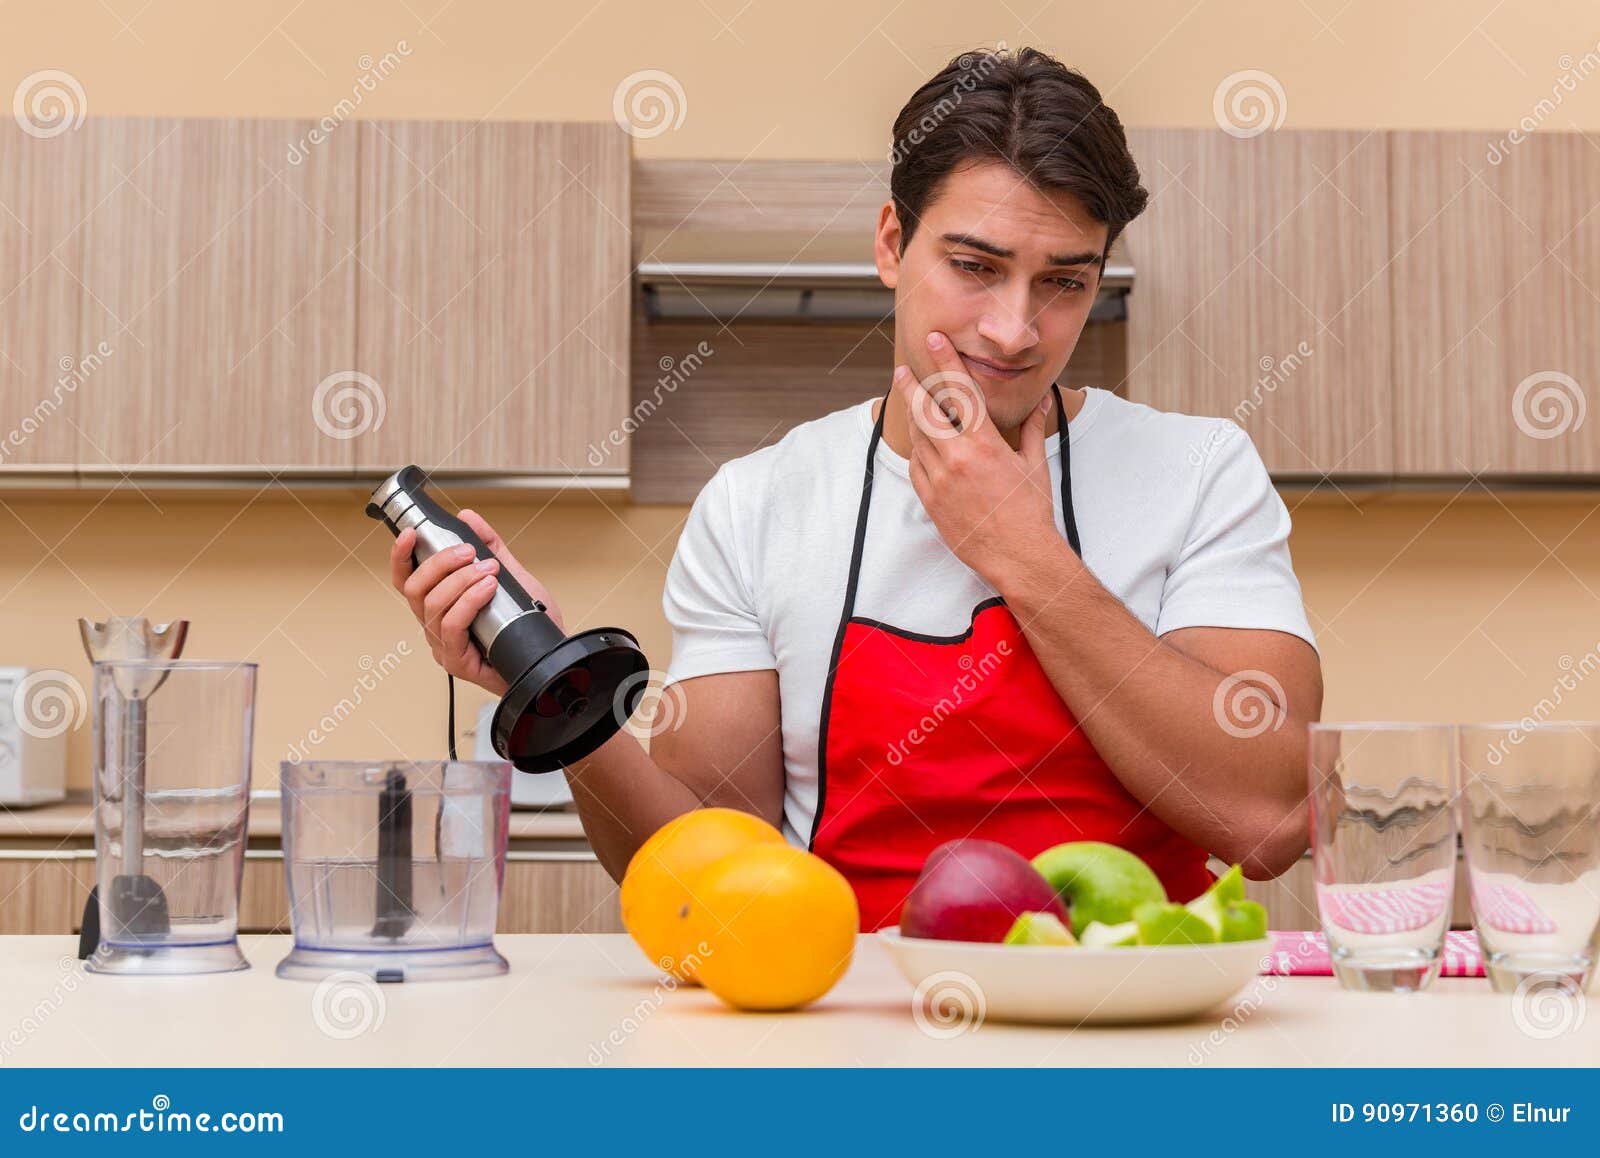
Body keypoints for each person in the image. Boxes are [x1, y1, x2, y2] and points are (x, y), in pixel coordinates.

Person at [390, 46, 1323, 931]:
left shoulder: (1199, 472)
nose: (1013, 329)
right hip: (850, 1031)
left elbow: (1271, 820)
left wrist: (1020, 551)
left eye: (1064, 282)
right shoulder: (756, 506)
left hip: (1140, 1023)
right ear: (890, 243)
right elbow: (714, 876)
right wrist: (560, 695)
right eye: (975, 266)